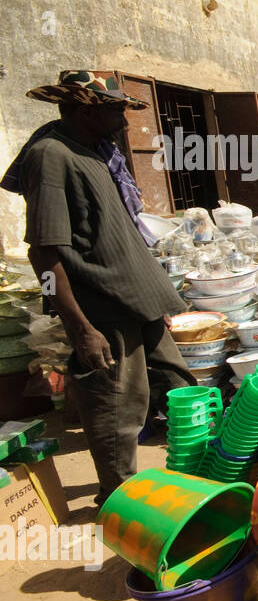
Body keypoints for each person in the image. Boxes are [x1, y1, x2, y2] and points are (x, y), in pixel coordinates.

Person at [7, 71, 193, 505]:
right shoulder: (51, 156)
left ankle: (199, 473)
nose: (125, 122)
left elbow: (118, 233)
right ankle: (119, 498)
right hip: (103, 307)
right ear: (81, 108)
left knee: (182, 388)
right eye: (114, 110)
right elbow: (44, 254)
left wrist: (154, 295)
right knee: (116, 408)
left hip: (138, 300)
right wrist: (80, 327)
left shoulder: (95, 152)